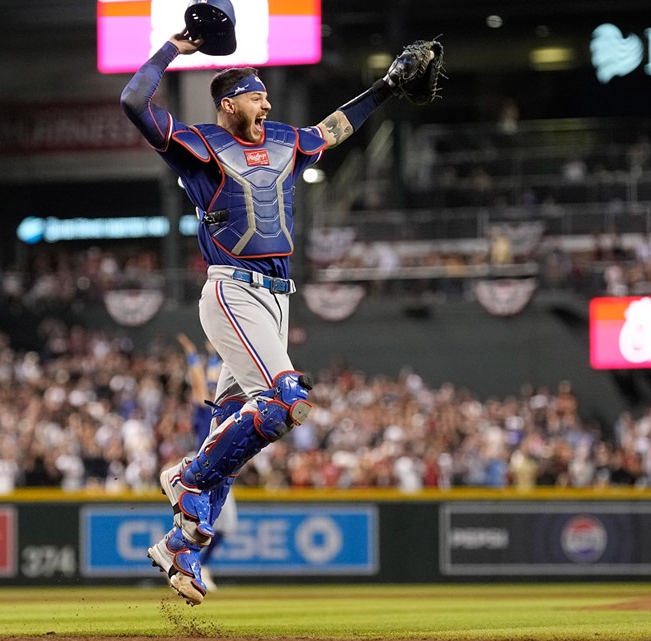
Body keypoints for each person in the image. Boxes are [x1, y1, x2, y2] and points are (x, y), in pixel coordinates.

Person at [121, 27, 424, 606]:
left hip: (276, 298)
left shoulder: (286, 140)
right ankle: (186, 476)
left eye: (266, 95)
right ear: (228, 103)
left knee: (233, 431)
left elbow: (336, 128)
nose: (266, 103)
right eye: (256, 95)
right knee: (288, 402)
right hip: (232, 290)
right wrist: (172, 50)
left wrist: (385, 87)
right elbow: (134, 101)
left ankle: (181, 546)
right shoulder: (200, 144)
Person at [177, 333, 237, 593]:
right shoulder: (205, 409)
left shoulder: (225, 407)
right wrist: (193, 355)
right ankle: (190, 565)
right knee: (206, 524)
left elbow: (214, 378)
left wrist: (214, 354)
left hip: (219, 467)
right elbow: (201, 383)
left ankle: (194, 564)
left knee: (218, 526)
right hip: (206, 466)